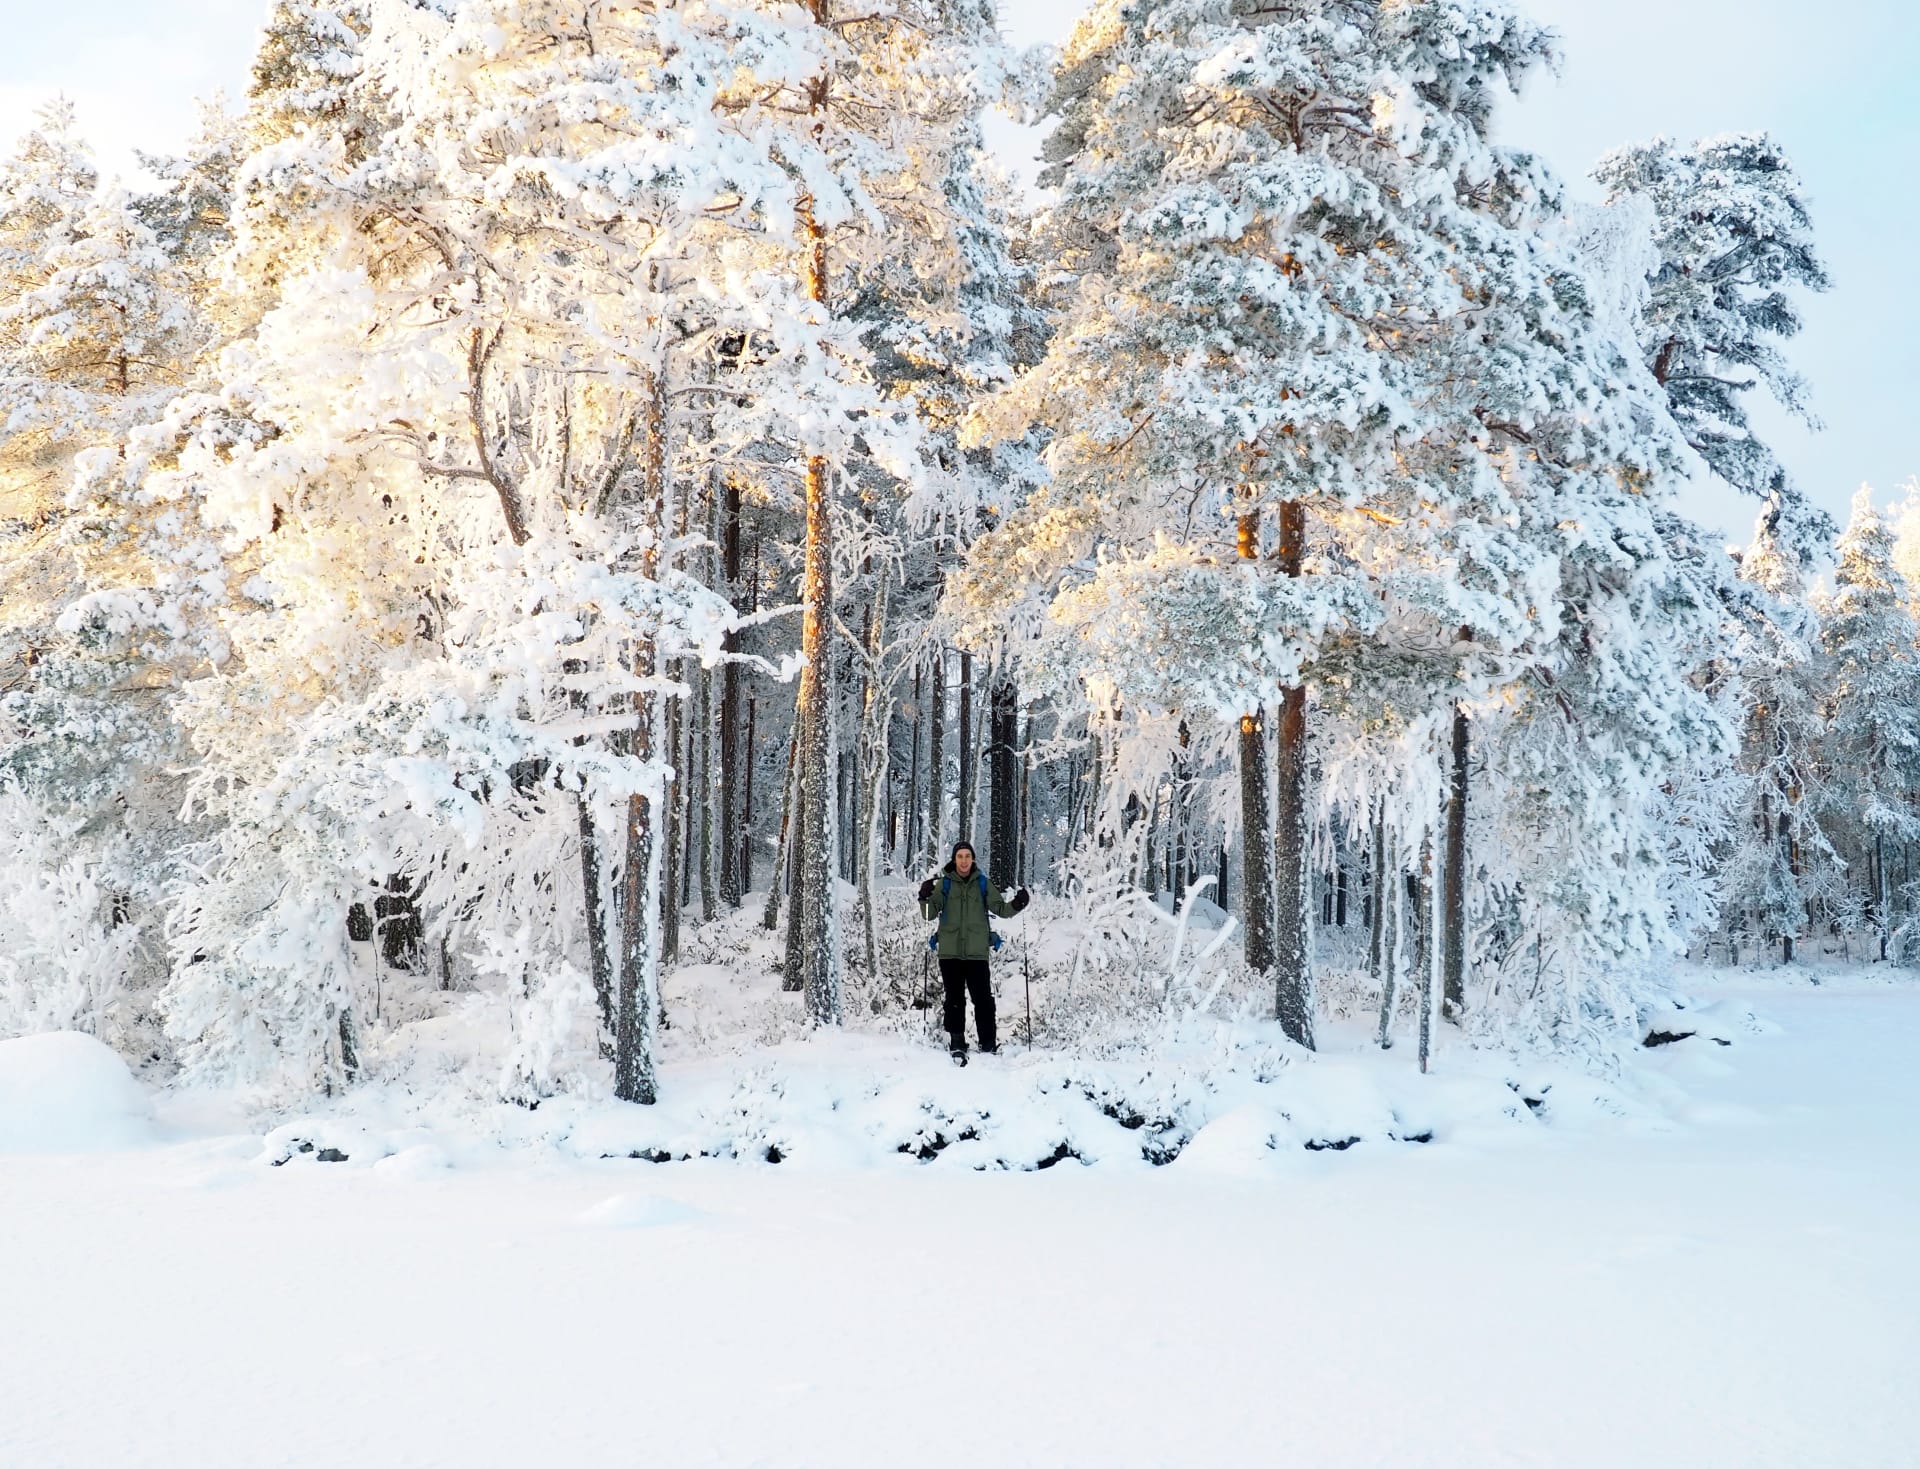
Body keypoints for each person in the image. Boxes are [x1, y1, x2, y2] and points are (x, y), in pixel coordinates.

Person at [918, 842, 1029, 1064]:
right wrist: (924, 897)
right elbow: (929, 915)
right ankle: (957, 1042)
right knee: (954, 999)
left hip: (977, 953)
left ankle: (987, 1043)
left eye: (968, 856)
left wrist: (1018, 904)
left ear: (973, 859)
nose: (964, 860)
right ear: (954, 859)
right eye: (960, 856)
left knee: (983, 1000)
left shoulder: (982, 884)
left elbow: (1001, 910)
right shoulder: (945, 885)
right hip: (950, 954)